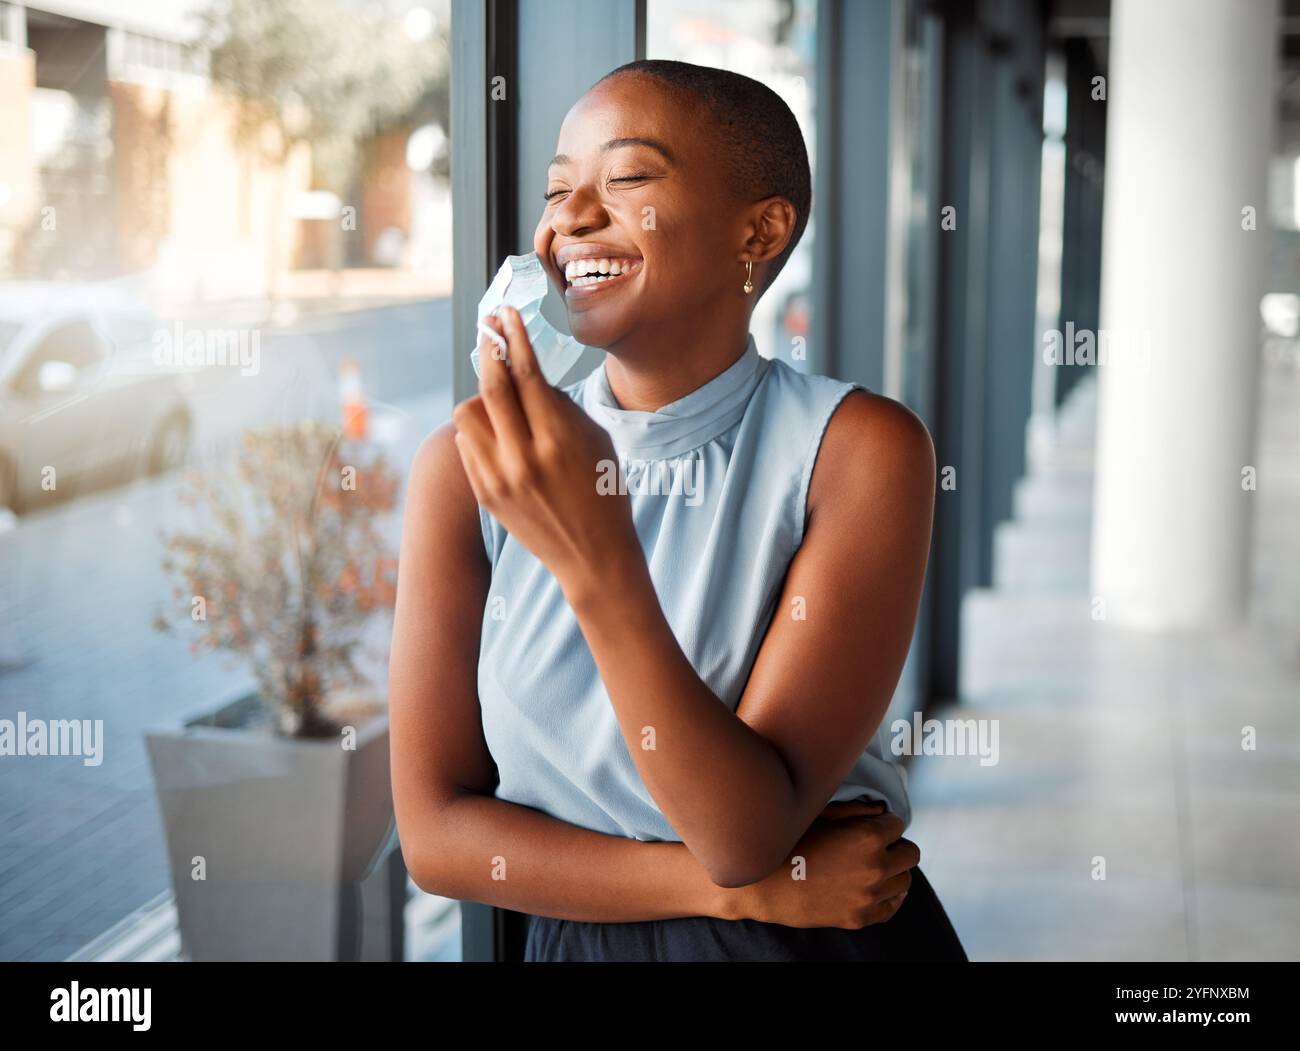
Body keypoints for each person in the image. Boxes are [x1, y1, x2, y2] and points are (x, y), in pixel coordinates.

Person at [389, 58, 967, 962]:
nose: (570, 217)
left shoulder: (859, 452)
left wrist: (594, 557)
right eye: (557, 189)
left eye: (625, 178)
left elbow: (743, 831)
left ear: (761, 230)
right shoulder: (462, 473)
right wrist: (736, 892)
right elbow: (436, 836)